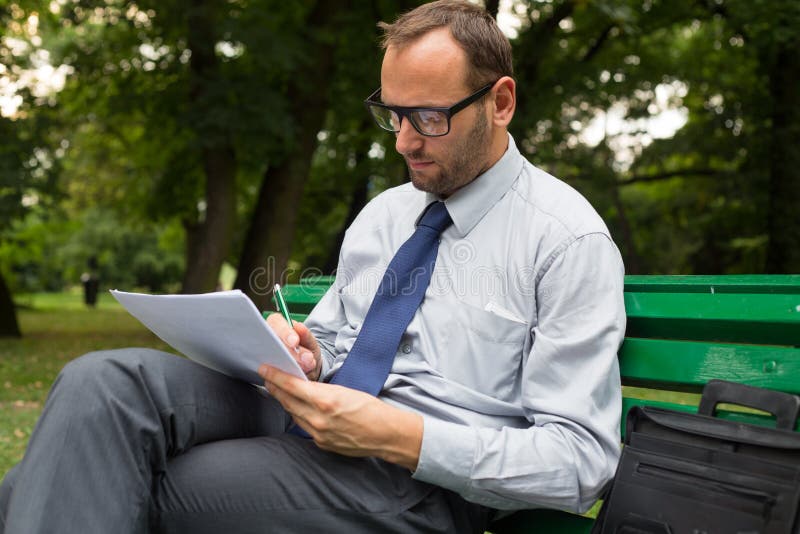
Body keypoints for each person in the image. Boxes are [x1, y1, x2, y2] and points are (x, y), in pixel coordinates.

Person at [0, 1, 625, 532]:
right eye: (393, 114)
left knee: (82, 485)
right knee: (101, 383)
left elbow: (579, 462)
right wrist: (307, 352)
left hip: (418, 480)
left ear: (502, 102)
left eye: (430, 118)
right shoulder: (386, 215)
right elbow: (335, 336)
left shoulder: (565, 241)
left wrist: (398, 436)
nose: (405, 141)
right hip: (311, 410)